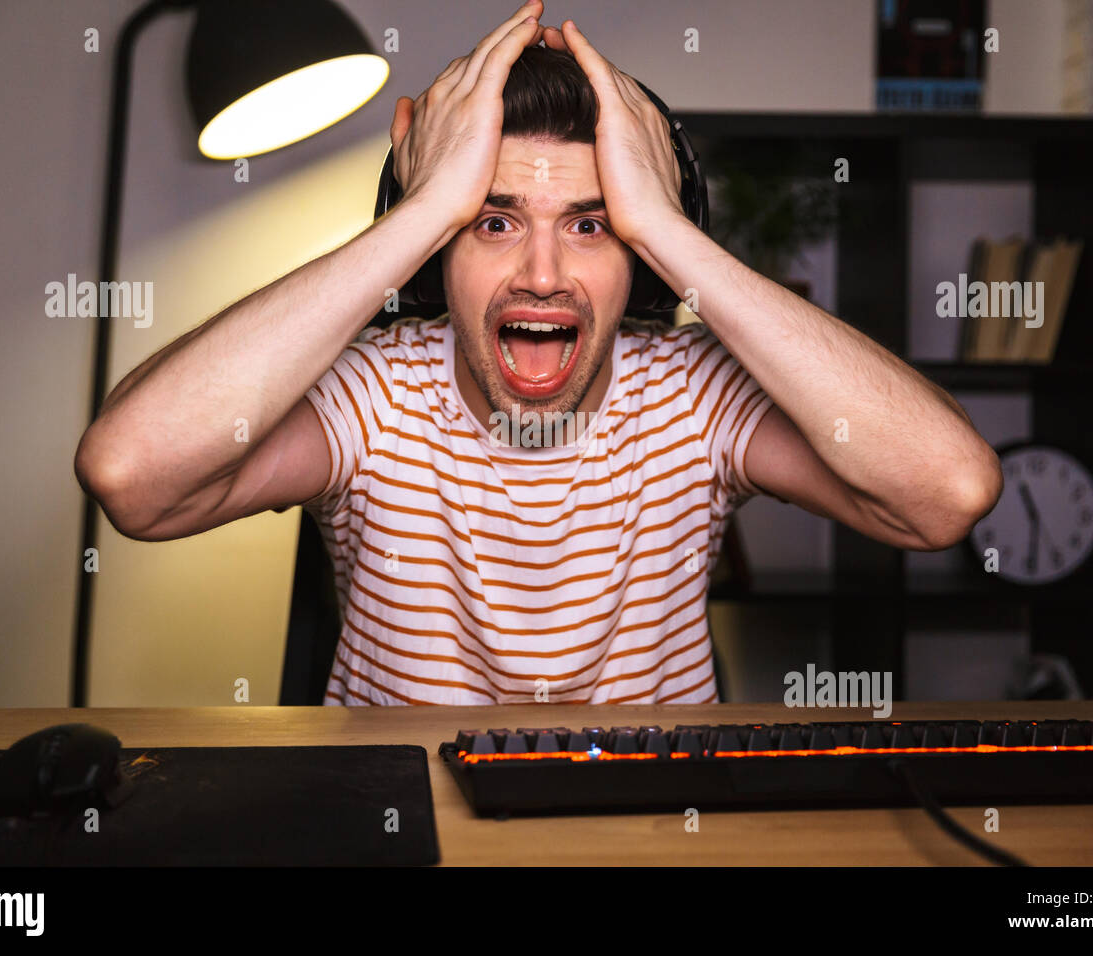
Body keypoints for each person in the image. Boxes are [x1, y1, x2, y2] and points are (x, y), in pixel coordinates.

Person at [74, 1, 1002, 706]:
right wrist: (426, 206)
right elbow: (129, 475)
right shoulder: (376, 394)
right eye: (494, 221)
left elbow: (948, 494)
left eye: (592, 224)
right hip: (411, 836)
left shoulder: (694, 397)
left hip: (647, 841)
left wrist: (666, 229)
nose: (543, 275)